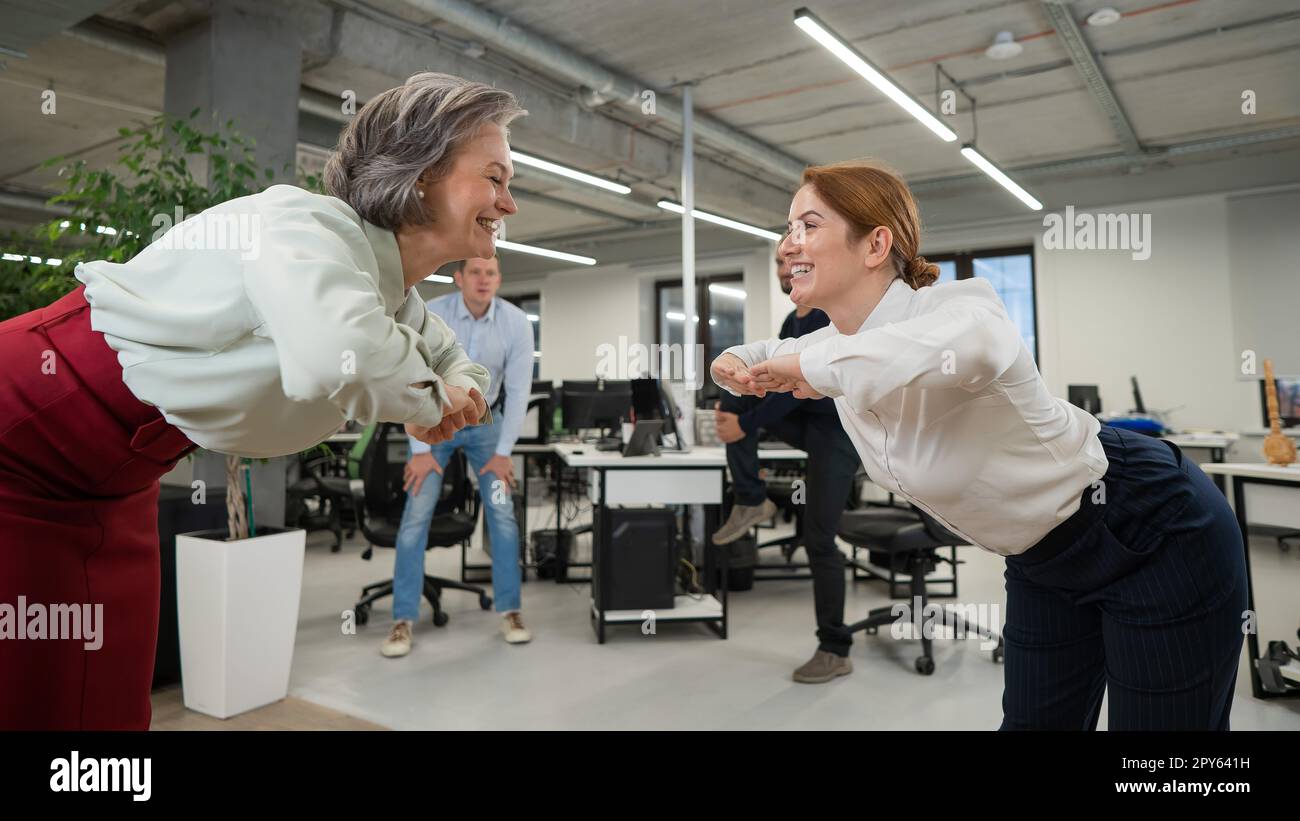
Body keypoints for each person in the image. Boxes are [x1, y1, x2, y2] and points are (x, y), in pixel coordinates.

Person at [0, 72, 524, 730]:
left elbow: (450, 354)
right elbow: (339, 354)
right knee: (39, 697)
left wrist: (457, 386)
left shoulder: (388, 287)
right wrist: (431, 398)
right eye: (496, 178)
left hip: (120, 470)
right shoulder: (304, 228)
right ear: (423, 174)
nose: (509, 204)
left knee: (106, 707)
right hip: (25, 429)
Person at [712, 159, 1247, 730]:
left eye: (808, 226)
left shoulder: (960, 307)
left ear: (875, 245)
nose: (789, 245)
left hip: (1147, 520)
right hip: (1041, 553)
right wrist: (734, 364)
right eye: (788, 228)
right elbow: (765, 351)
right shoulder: (832, 340)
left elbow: (966, 346)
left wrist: (806, 366)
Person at [711, 251, 860, 683]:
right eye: (779, 263)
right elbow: (769, 381)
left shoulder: (825, 318)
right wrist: (739, 402)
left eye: (792, 262)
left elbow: (789, 389)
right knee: (735, 388)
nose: (784, 270)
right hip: (804, 422)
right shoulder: (791, 322)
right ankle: (751, 499)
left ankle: (835, 647)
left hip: (835, 432)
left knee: (819, 539)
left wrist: (746, 426)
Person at [382, 255, 535, 656]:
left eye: (491, 273)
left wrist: (504, 454)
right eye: (476, 273)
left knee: (501, 513)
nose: (484, 280)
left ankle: (511, 610)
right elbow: (410, 380)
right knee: (417, 513)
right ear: (459, 278)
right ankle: (402, 620)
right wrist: (418, 450)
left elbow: (519, 392)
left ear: (499, 279)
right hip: (436, 419)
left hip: (488, 424)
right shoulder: (433, 314)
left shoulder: (516, 323)